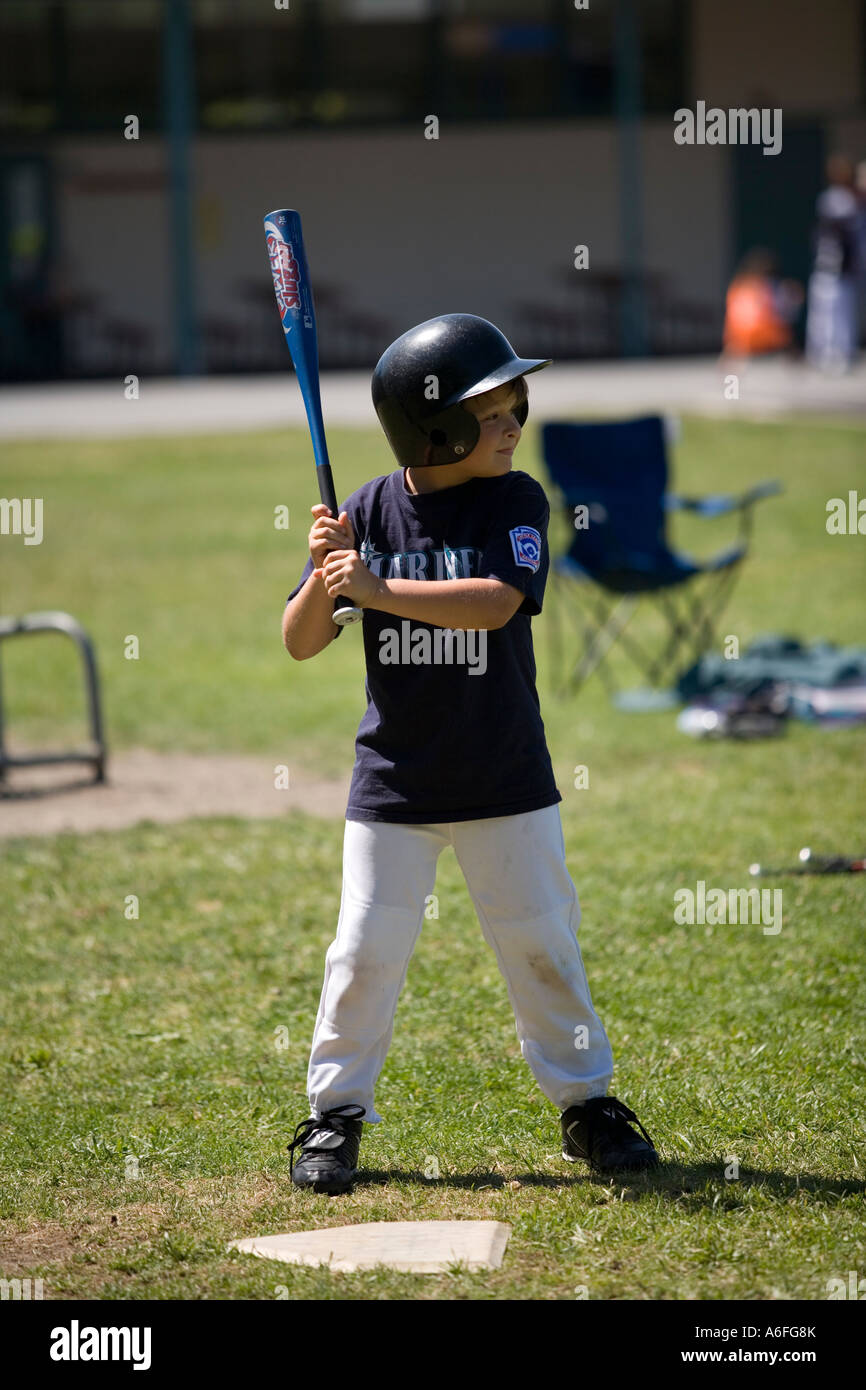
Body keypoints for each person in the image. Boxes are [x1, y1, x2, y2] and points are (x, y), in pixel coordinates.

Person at [281, 313, 660, 1194]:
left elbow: (495, 601)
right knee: (363, 954)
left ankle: (590, 1107)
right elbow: (301, 640)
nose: (513, 422)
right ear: (431, 428)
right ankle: (334, 1116)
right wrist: (327, 567)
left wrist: (378, 587)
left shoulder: (514, 500)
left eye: (517, 403)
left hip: (505, 781)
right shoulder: (370, 510)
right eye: (489, 411)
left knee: (543, 949)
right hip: (394, 785)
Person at [805, 154, 860, 373]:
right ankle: (821, 354)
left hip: (843, 270)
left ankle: (839, 355)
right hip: (825, 267)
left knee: (841, 314)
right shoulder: (832, 199)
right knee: (822, 313)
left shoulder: (852, 200)